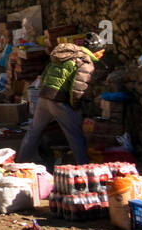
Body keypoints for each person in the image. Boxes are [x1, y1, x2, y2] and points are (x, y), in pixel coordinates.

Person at [16, 32, 104, 165]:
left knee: (34, 132)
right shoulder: (86, 62)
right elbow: (78, 89)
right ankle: (84, 166)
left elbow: (44, 75)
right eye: (102, 52)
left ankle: (20, 163)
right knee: (75, 136)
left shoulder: (65, 56)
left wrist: (42, 94)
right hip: (58, 99)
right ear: (96, 51)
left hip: (44, 96)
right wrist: (75, 107)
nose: (102, 55)